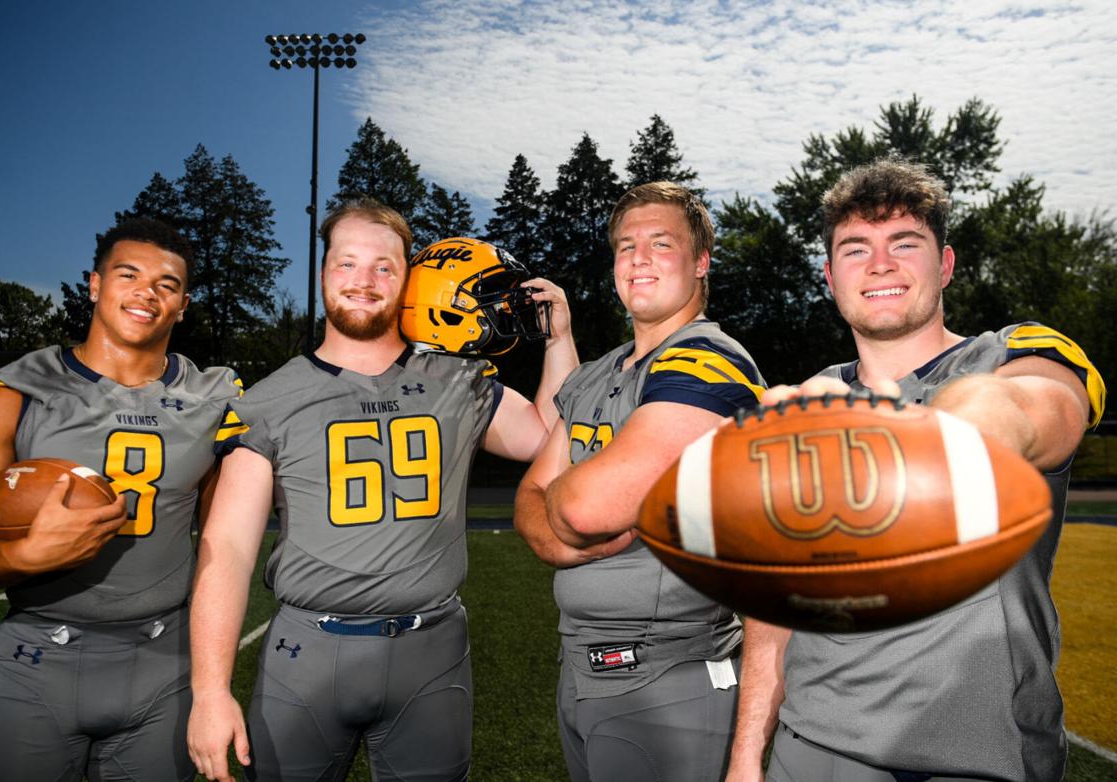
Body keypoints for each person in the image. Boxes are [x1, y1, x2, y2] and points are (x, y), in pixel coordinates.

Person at [725, 159, 1105, 782]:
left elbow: (1013, 417)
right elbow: (772, 615)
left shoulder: (1015, 354)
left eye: (905, 243)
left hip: (982, 761)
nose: (879, 264)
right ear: (829, 277)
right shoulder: (807, 396)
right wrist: (746, 758)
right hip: (812, 751)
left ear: (946, 264)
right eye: (856, 249)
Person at [186, 198, 579, 782]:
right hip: (309, 654)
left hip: (433, 650)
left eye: (384, 267)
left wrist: (558, 340)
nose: (363, 281)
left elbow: (552, 438)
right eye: (346, 263)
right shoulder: (268, 400)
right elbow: (229, 549)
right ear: (322, 274)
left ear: (408, 282)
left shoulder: (457, 378)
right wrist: (209, 691)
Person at [0, 217, 245, 781]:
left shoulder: (216, 398)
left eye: (166, 284)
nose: (146, 292)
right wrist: (18, 559)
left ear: (184, 304)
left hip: (164, 664)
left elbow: (228, 542)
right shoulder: (14, 392)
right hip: (38, 659)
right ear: (94, 284)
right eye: (128, 275)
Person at [513, 181, 768, 781]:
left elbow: (585, 509)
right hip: (580, 666)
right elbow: (532, 501)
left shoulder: (710, 358)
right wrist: (556, 527)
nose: (640, 258)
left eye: (661, 243)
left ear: (701, 262)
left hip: (668, 676)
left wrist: (565, 515)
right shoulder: (599, 371)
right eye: (626, 247)